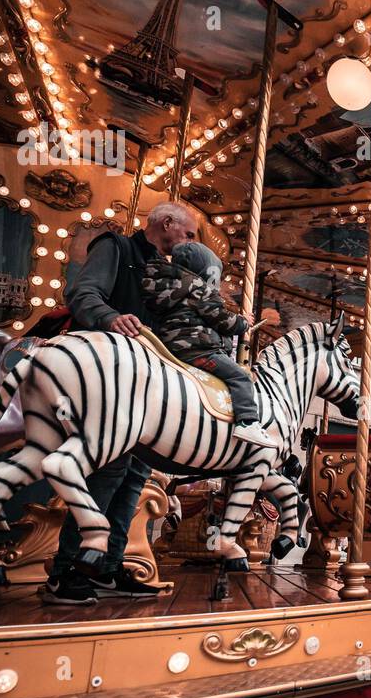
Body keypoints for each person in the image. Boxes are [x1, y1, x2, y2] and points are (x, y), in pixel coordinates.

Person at [43, 201, 199, 605]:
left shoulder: (169, 272)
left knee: (135, 477)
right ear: (166, 224)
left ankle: (106, 568)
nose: (190, 242)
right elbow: (82, 291)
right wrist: (111, 317)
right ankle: (66, 572)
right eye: (189, 234)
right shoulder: (116, 248)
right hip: (108, 379)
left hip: (144, 390)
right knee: (109, 470)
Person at [142, 240, 273, 449]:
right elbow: (222, 320)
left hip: (170, 347)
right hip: (198, 350)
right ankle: (248, 421)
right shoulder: (198, 287)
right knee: (240, 376)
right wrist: (243, 322)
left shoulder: (163, 285)